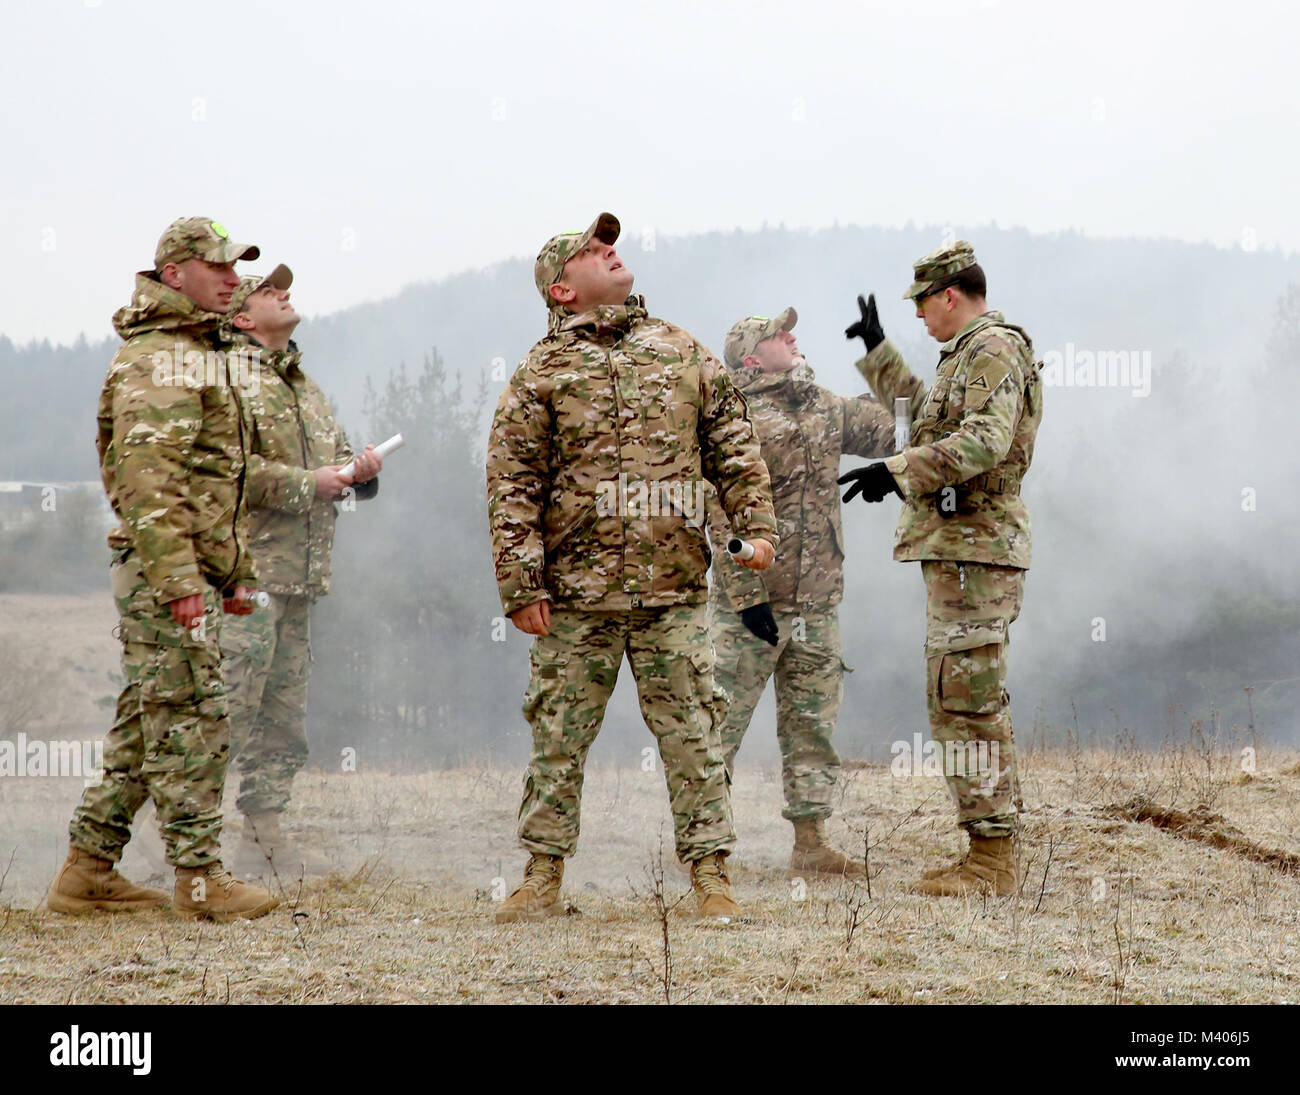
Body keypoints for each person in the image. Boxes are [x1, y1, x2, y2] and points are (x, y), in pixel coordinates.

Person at [486, 212, 778, 923]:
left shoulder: (681, 350)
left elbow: (732, 443)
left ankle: (712, 879)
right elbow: (512, 481)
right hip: (574, 595)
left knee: (693, 732)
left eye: (609, 242)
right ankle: (542, 878)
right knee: (559, 732)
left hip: (672, 587)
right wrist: (520, 584)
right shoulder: (541, 371)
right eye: (590, 249)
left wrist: (757, 524)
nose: (608, 250)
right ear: (561, 291)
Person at [48, 217, 278, 921]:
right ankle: (200, 882)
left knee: (148, 726)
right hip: (161, 574)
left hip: (183, 572)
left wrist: (230, 572)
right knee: (192, 720)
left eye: (237, 268)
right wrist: (180, 580)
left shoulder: (195, 351)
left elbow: (212, 479)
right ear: (174, 272)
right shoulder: (160, 358)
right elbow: (149, 480)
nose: (234, 279)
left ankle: (86, 874)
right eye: (219, 267)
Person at [838, 241, 1042, 897]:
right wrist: (878, 352)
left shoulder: (992, 348)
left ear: (948, 295)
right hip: (961, 550)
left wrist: (896, 474)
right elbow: (924, 418)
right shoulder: (968, 354)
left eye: (922, 305)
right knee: (957, 696)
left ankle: (991, 862)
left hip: (976, 550)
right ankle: (986, 852)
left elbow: (983, 441)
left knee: (968, 700)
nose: (921, 318)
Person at [707, 308, 894, 876]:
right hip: (750, 609)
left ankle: (810, 844)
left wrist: (879, 353)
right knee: (717, 727)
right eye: (776, 334)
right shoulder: (729, 417)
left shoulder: (825, 407)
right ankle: (704, 847)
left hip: (817, 604)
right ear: (750, 356)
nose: (792, 337)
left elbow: (903, 429)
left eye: (790, 330)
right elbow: (716, 511)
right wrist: (746, 594)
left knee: (812, 728)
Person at [220, 265, 382, 876]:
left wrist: (357, 474)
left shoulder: (304, 387)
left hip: (299, 580)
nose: (284, 293)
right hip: (244, 577)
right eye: (267, 290)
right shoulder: (228, 380)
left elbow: (334, 474)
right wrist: (306, 484)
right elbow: (226, 472)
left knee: (282, 723)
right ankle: (185, 850)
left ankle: (263, 840)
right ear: (241, 317)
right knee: (225, 714)